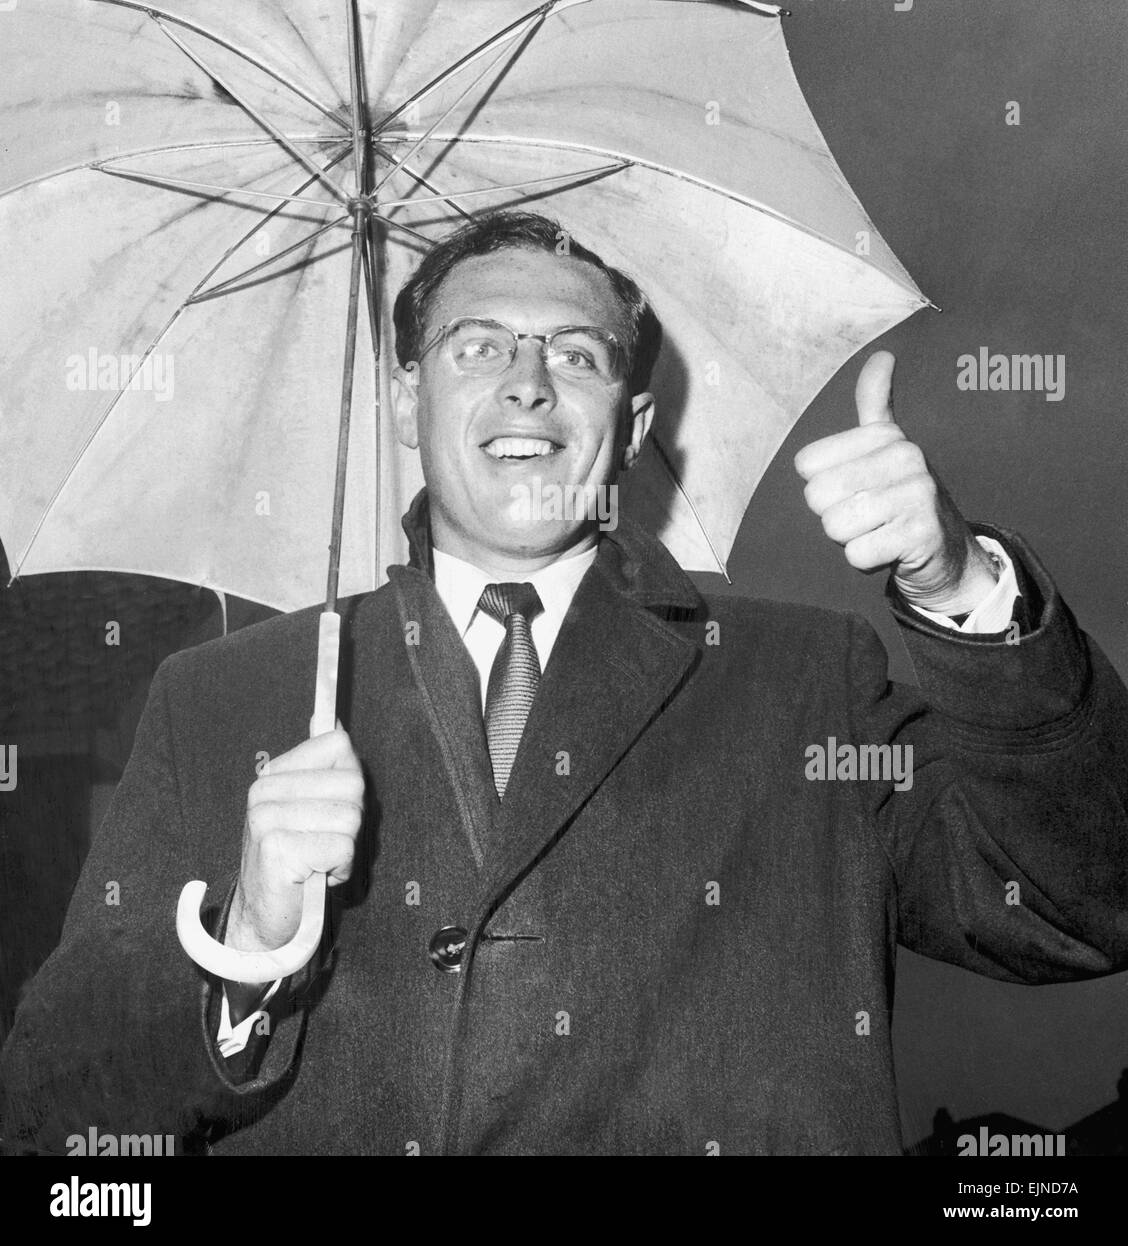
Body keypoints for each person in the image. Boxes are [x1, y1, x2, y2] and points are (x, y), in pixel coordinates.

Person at [2, 211, 1127, 1157]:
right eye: (477, 346)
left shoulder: (809, 684)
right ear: (405, 402)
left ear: (631, 426)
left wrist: (960, 579)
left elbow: (1082, 908)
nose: (529, 384)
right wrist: (246, 948)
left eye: (576, 355)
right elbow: (49, 1116)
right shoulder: (219, 702)